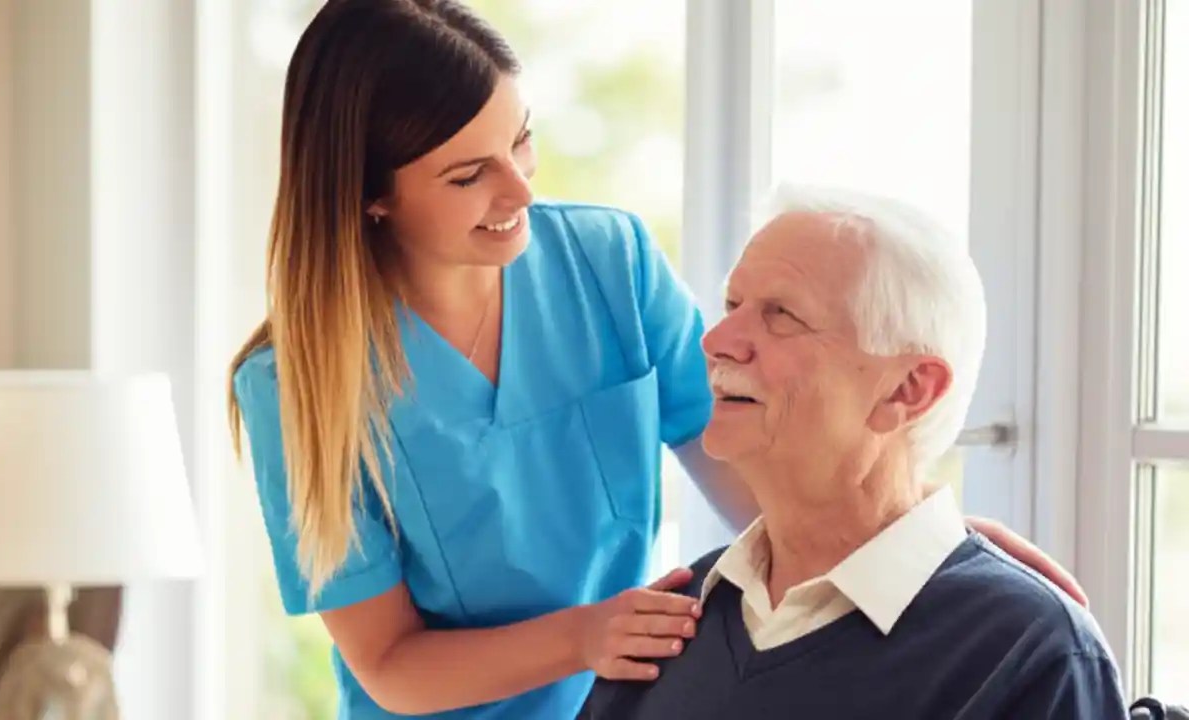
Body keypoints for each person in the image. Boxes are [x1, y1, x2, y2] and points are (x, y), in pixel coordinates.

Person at [228, 1, 1086, 717]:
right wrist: (585, 636)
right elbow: (388, 664)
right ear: (372, 195)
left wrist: (915, 539)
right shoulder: (292, 387)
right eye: (469, 175)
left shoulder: (608, 263)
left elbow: (771, 468)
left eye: (522, 140)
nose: (522, 190)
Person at [581, 187, 1127, 720]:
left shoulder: (1028, 651)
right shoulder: (670, 621)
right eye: (733, 304)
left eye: (781, 315)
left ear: (907, 389)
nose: (717, 339)